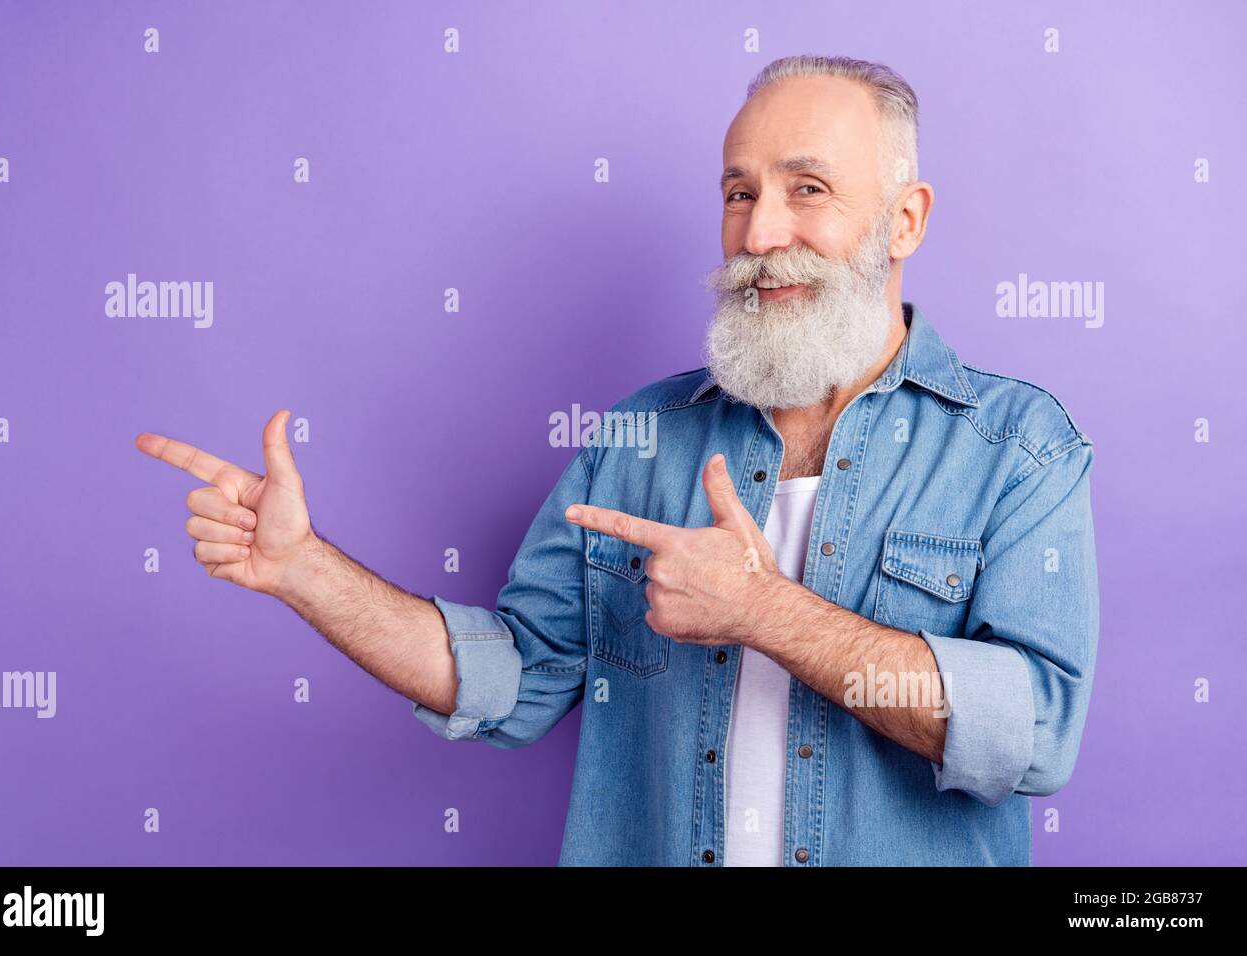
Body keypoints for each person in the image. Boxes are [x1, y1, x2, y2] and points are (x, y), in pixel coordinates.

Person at [135, 55, 1099, 866]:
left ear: (905, 220)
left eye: (808, 189)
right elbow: (515, 678)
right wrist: (306, 571)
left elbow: (1036, 730)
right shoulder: (642, 435)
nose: (760, 235)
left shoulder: (1019, 448)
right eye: (739, 193)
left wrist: (763, 611)